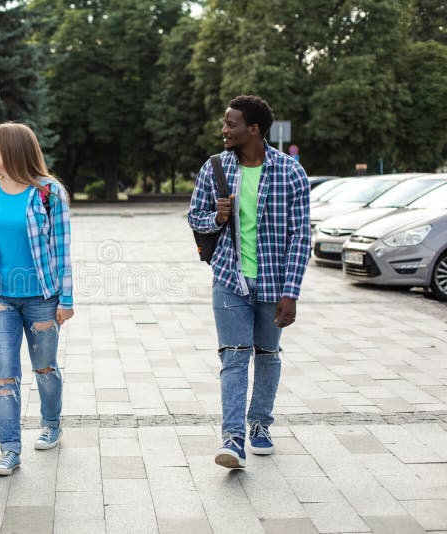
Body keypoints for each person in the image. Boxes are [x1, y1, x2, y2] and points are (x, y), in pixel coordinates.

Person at [187, 95, 310, 469]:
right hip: (229, 280)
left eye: (231, 123)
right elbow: (195, 217)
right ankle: (233, 439)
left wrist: (291, 293)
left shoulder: (291, 172)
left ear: (253, 129)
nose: (224, 130)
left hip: (274, 285)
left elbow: (300, 236)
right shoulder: (215, 168)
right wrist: (217, 218)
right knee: (234, 357)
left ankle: (259, 425)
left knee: (268, 356)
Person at [0, 122, 74, 476]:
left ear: (12, 150)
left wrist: (66, 299)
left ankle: (51, 423)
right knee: (4, 375)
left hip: (42, 297)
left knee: (44, 367)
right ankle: (9, 450)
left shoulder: (49, 193)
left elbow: (61, 250)